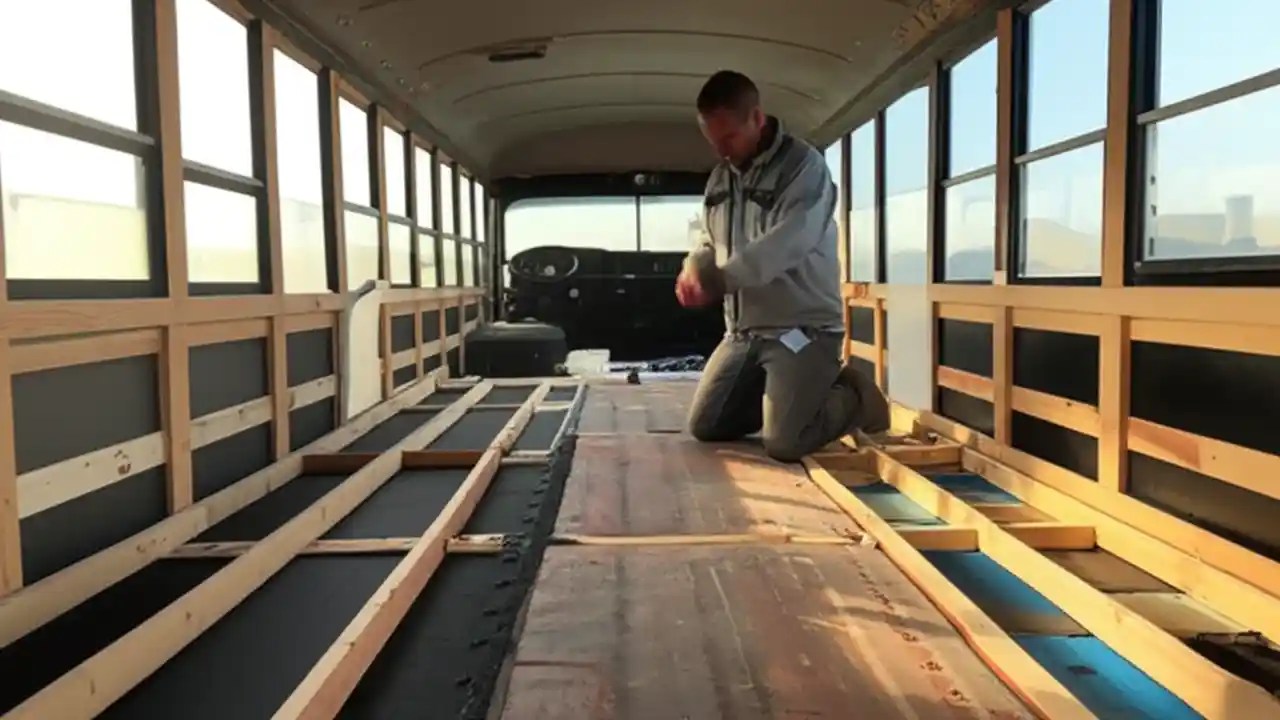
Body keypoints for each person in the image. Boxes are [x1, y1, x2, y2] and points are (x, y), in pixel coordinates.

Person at [676, 70, 889, 462]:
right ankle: (790, 396)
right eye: (713, 140)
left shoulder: (804, 168)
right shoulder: (721, 178)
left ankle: (857, 398)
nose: (721, 151)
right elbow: (706, 237)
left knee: (785, 444)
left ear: (757, 118)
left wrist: (721, 280)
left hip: (802, 330)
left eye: (729, 138)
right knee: (707, 426)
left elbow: (787, 243)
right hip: (743, 334)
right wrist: (694, 267)